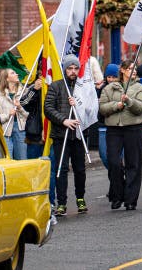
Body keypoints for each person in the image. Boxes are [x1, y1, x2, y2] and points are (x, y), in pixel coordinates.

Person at [100, 60, 142, 211]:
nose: (133, 71)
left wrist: (129, 101)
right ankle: (117, 195)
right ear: (122, 70)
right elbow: (102, 108)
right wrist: (117, 105)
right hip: (114, 130)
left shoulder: (140, 88)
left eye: (135, 69)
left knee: (133, 164)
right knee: (113, 162)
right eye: (130, 69)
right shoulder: (109, 88)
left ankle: (130, 199)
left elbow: (140, 108)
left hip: (132, 128)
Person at [45, 55, 88, 216]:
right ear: (65, 69)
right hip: (61, 135)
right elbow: (48, 107)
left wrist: (78, 107)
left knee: (80, 169)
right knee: (61, 170)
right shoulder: (56, 86)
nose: (73, 71)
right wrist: (64, 120)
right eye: (70, 68)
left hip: (78, 135)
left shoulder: (82, 87)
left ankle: (80, 198)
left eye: (76, 68)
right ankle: (61, 202)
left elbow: (90, 106)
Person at [0, 68, 29, 160]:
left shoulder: (25, 92)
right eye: (13, 73)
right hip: (5, 130)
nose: (17, 74)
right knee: (8, 159)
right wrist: (8, 115)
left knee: (22, 159)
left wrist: (20, 108)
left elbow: (30, 116)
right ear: (7, 78)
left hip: (21, 129)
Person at [97, 64, 120, 168]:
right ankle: (115, 175)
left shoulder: (122, 88)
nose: (111, 79)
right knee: (104, 155)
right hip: (103, 126)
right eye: (109, 77)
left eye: (114, 77)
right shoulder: (101, 88)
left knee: (118, 157)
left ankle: (117, 178)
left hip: (118, 126)